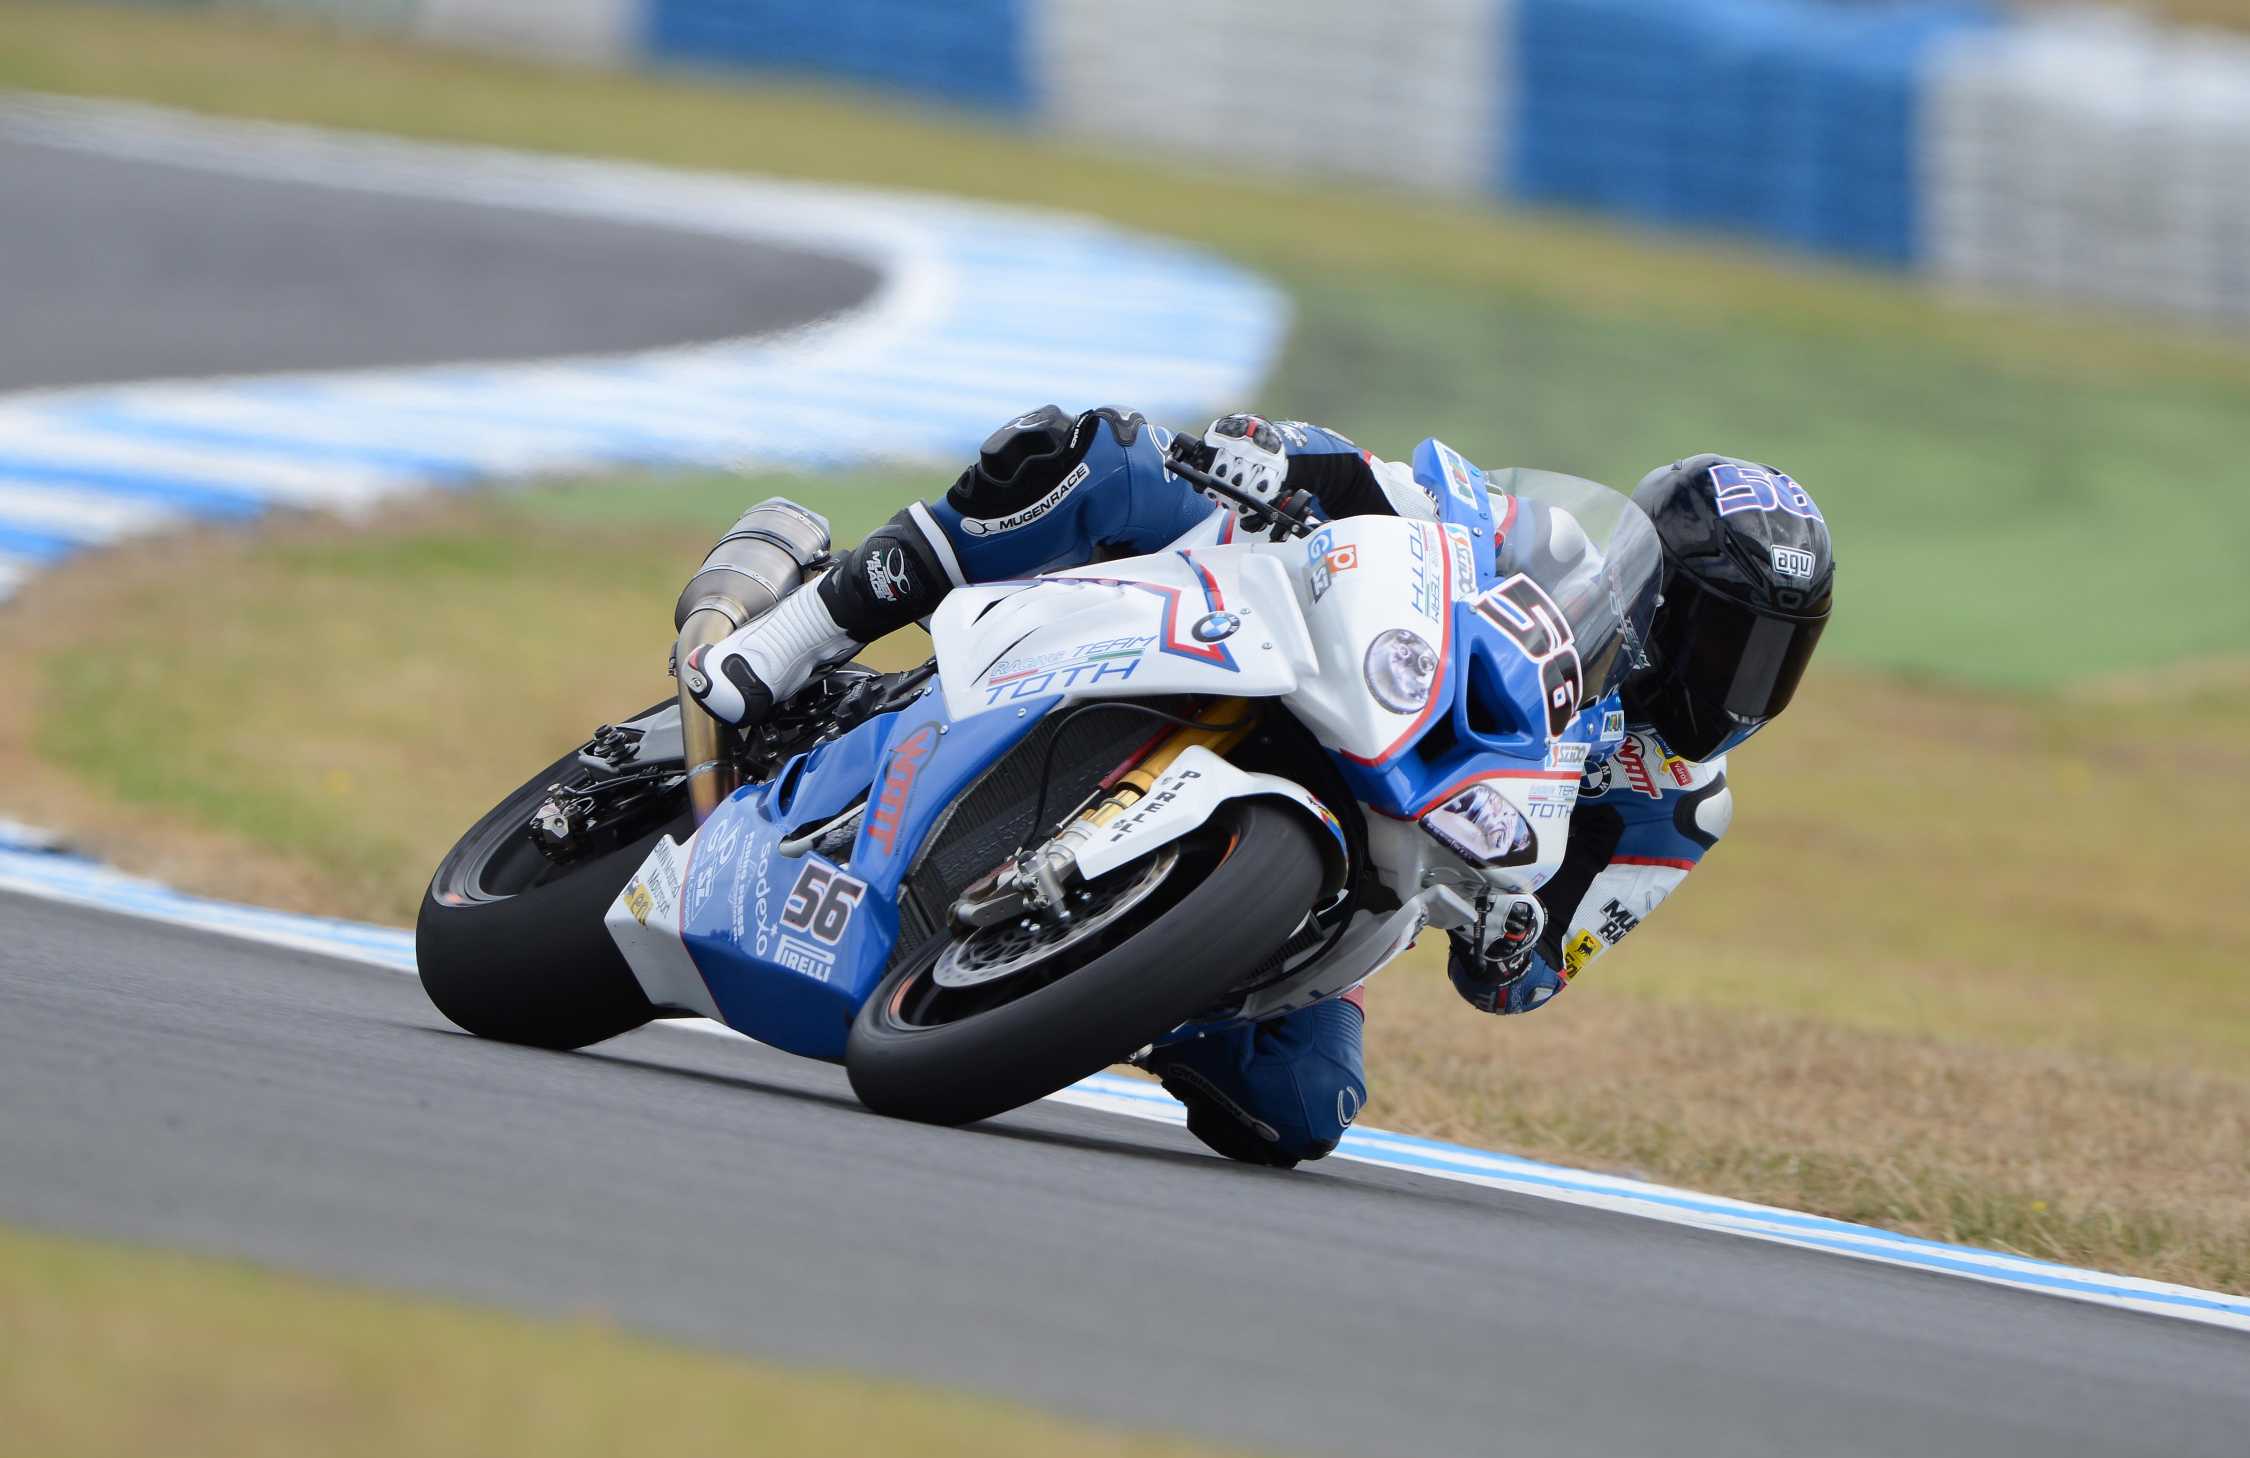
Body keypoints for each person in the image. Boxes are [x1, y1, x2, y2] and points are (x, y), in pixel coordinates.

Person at [682, 406, 1833, 1167]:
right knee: (1094, 456)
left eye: (1772, 657)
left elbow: (1525, 981)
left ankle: (1107, 969)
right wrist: (1278, 462)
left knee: (1300, 1110)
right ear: (1658, 589)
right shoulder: (1558, 553)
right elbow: (1414, 495)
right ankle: (812, 622)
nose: (1736, 680)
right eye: (1723, 635)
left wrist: (1510, 944)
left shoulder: (1682, 809)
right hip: (1315, 662)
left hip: (1373, 869)